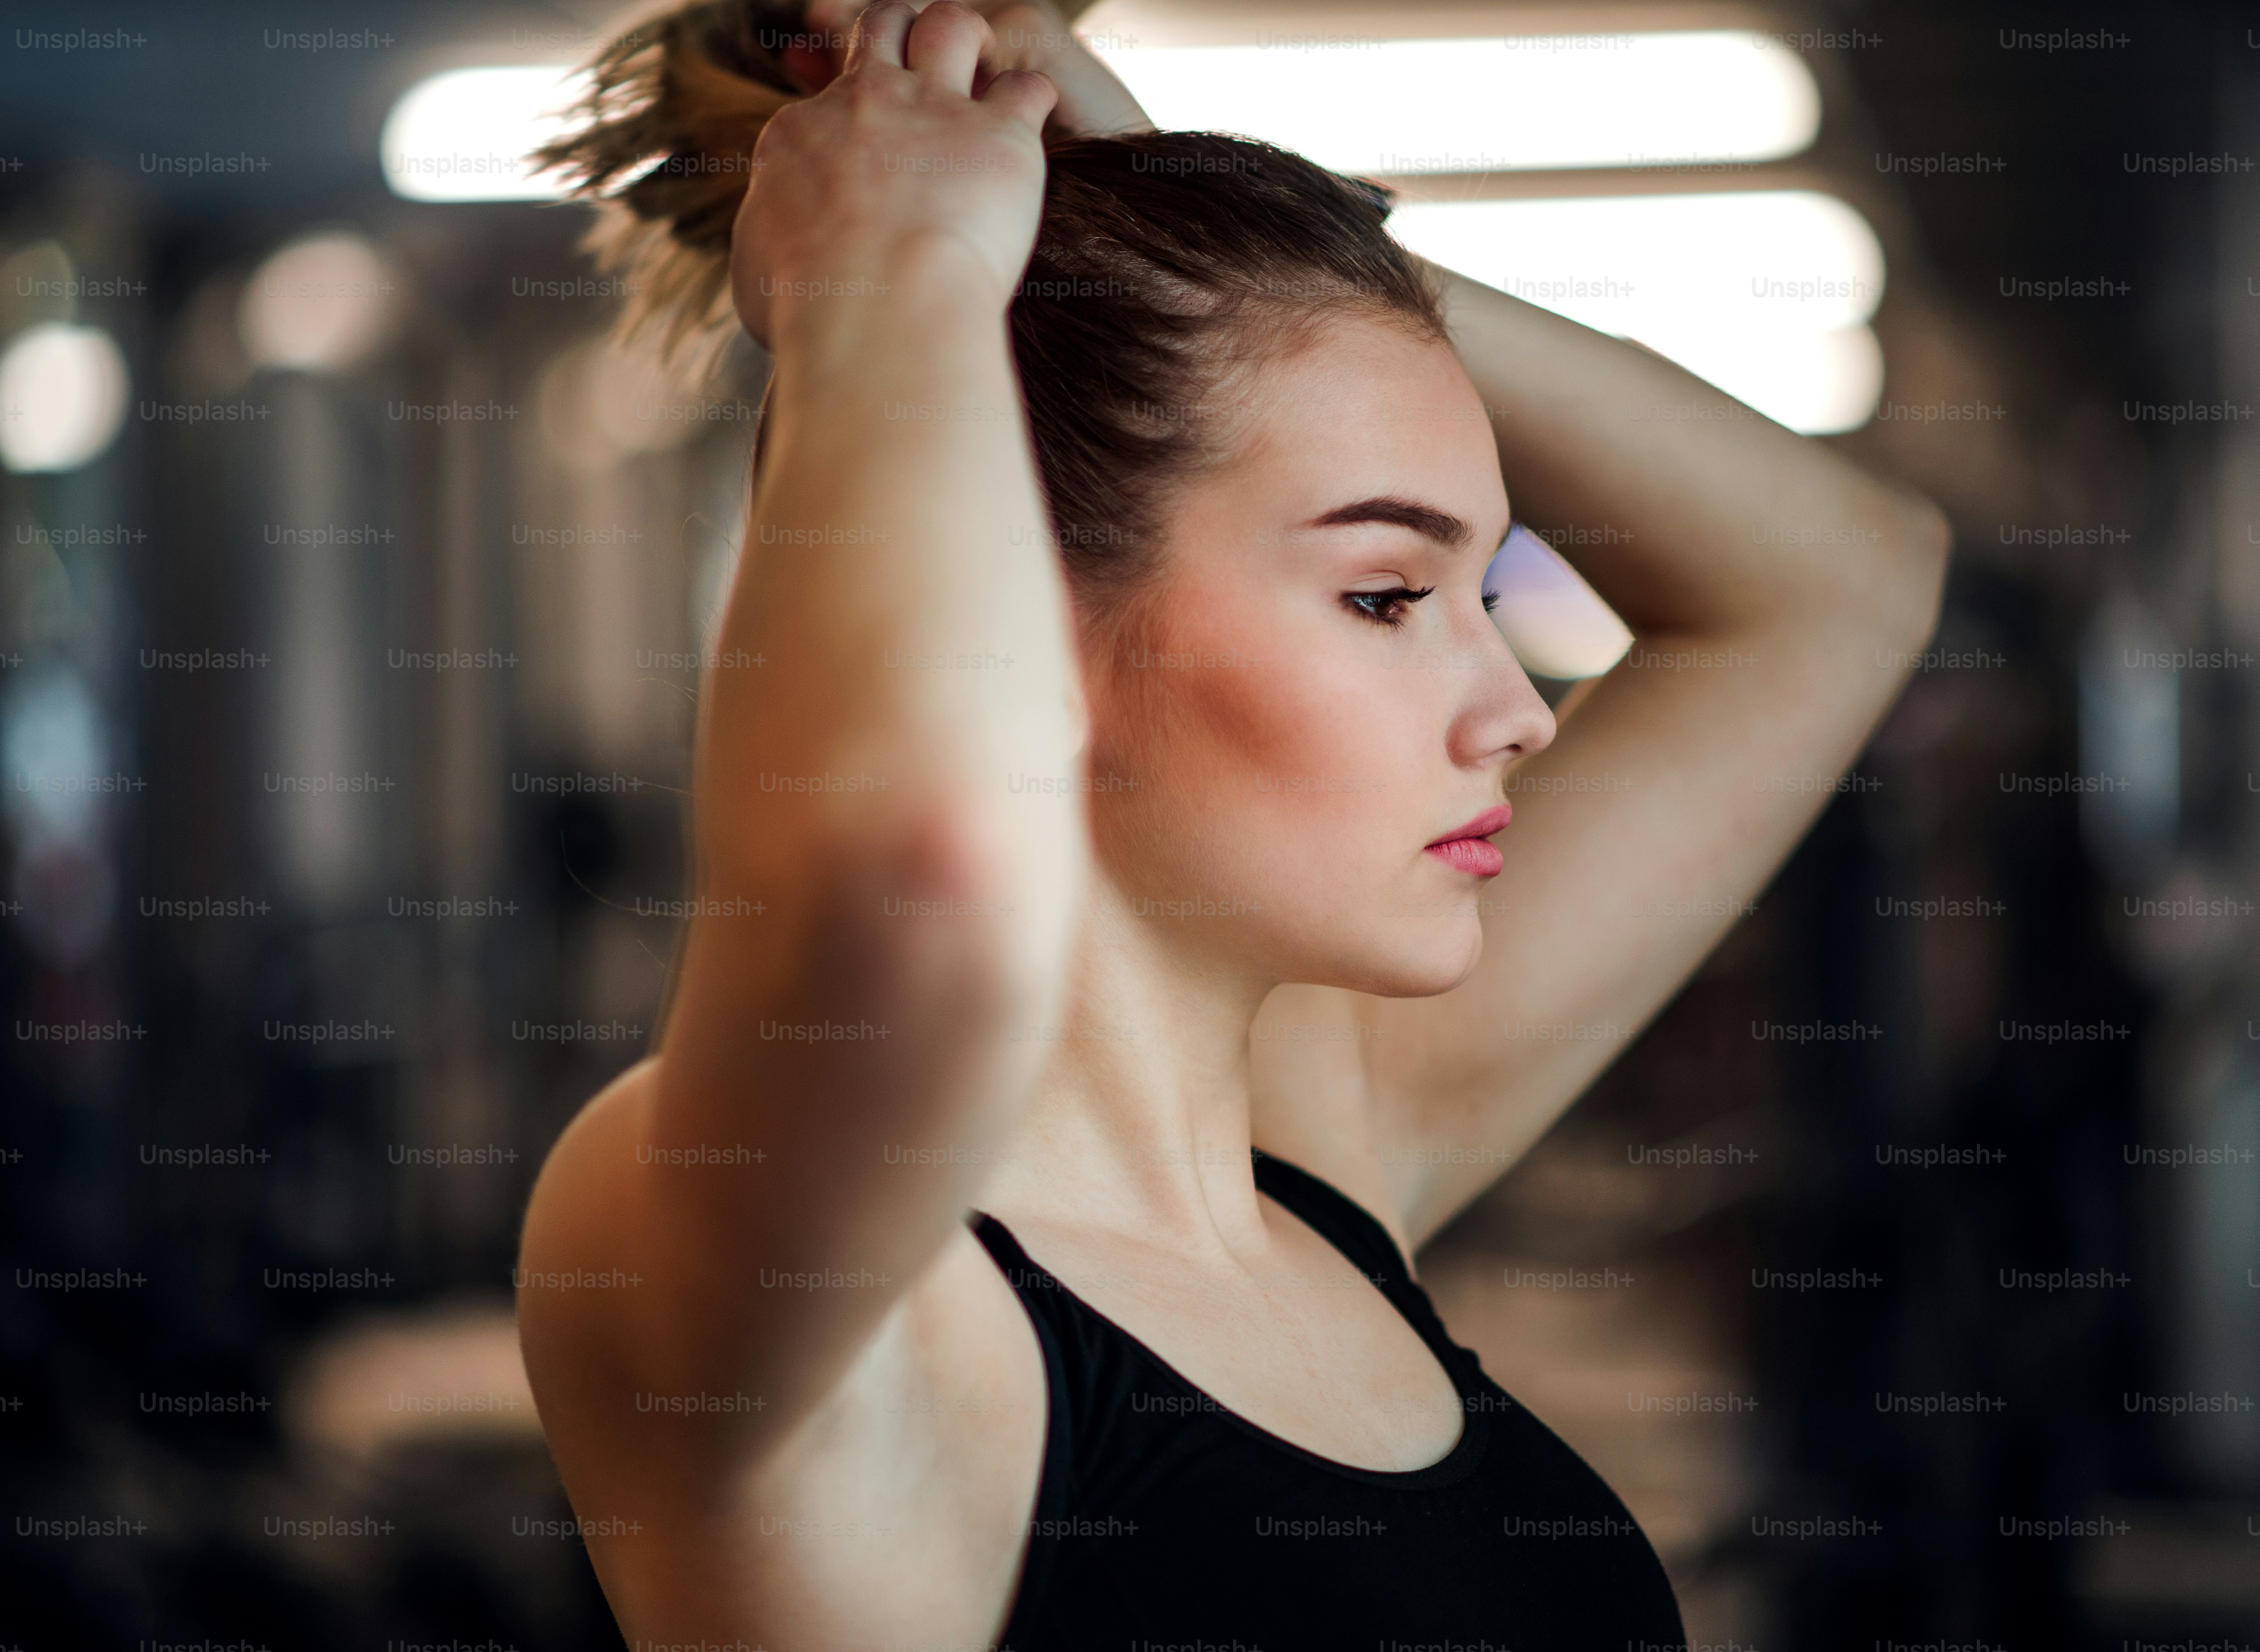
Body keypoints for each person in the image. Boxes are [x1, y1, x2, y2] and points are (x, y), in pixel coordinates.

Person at [515, 0, 1950, 1644]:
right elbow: (922, 885)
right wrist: (882, 286)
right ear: (1033, 632)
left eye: (1479, 588)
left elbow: (1847, 581)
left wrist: (1154, 197)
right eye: (1390, 594)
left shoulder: (1322, 1174)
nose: (1520, 711)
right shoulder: (776, 1274)